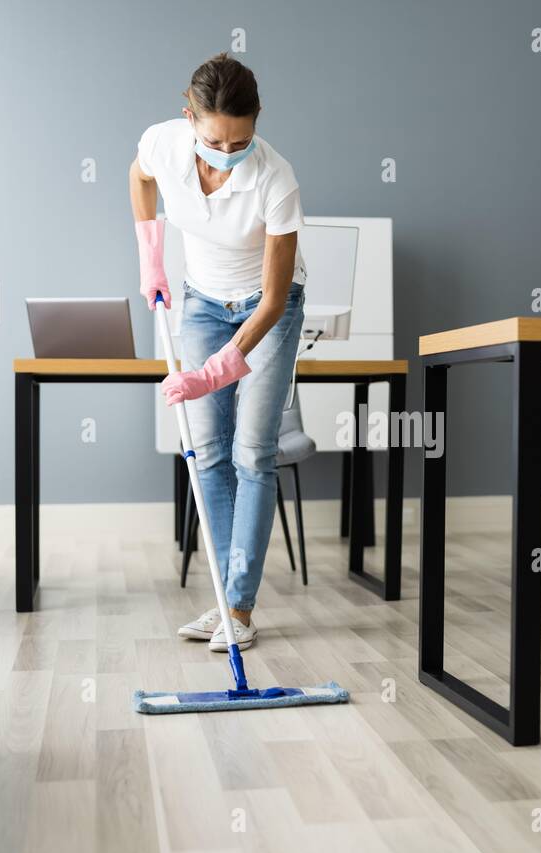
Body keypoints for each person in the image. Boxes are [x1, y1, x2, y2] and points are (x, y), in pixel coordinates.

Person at [129, 52, 306, 651]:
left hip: (265, 309)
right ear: (190, 119)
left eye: (241, 141)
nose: (227, 154)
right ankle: (224, 603)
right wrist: (151, 255)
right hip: (201, 301)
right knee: (206, 451)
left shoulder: (276, 179)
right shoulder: (164, 143)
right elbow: (139, 178)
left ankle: (240, 607)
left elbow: (275, 303)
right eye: (214, 140)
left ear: (257, 123)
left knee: (252, 452)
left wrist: (218, 369)